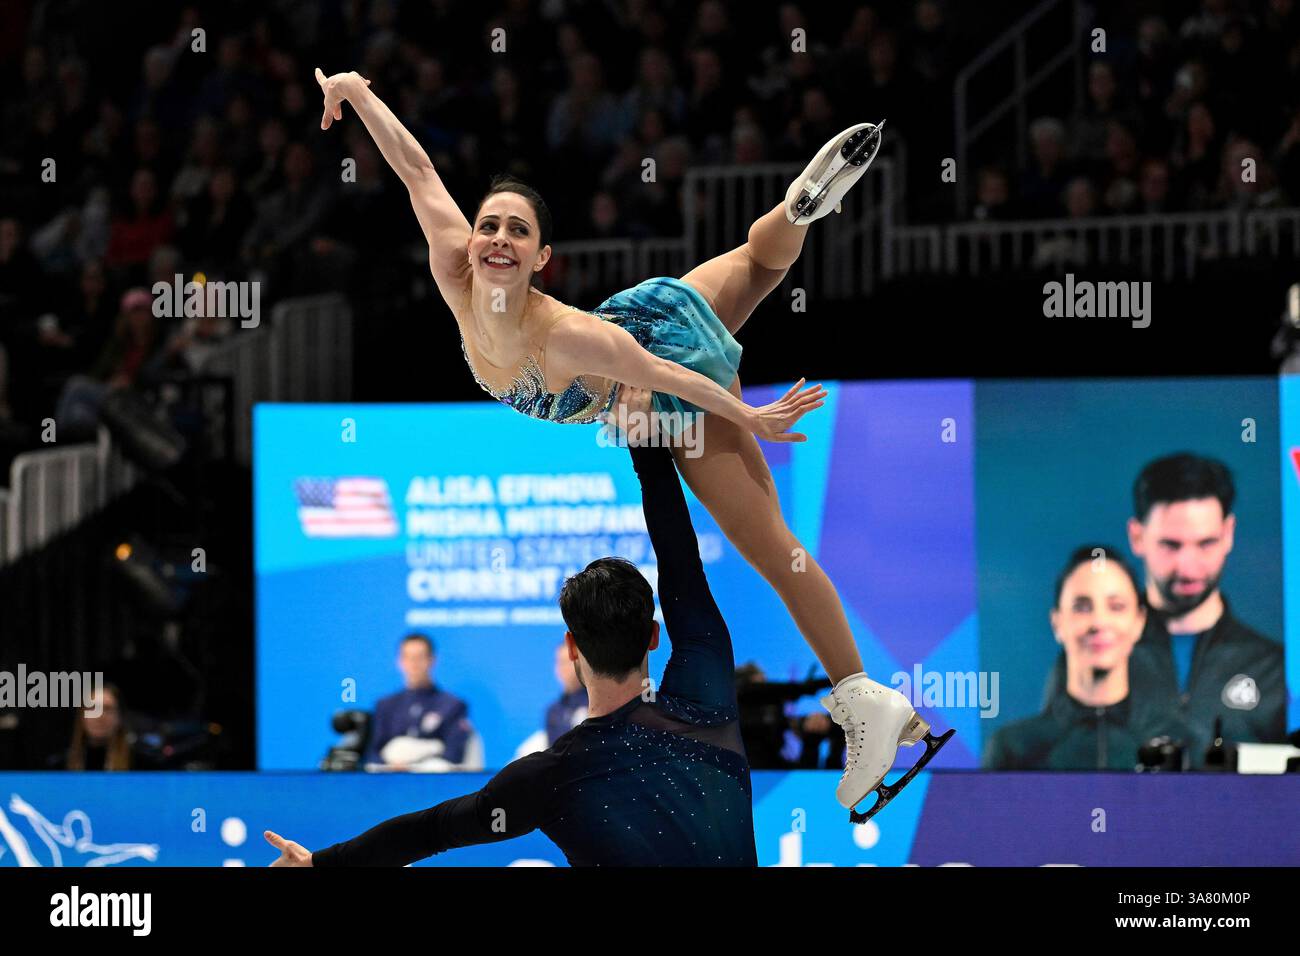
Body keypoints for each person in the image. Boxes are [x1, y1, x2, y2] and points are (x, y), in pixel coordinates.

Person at [311, 67, 943, 817]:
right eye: (490, 225)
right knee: (753, 263)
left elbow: (661, 370)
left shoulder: (564, 333)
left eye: (519, 231)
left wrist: (753, 420)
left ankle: (861, 699)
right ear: (471, 240)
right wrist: (355, 91)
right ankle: (799, 210)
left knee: (774, 547)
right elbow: (415, 167)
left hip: (659, 375)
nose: (498, 238)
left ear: (543, 259)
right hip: (647, 311)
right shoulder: (453, 265)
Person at [266, 387, 761, 866]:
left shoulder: (553, 775)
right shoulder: (704, 700)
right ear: (653, 635)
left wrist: (321, 864)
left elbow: (430, 830)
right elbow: (682, 564)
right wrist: (647, 444)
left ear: (571, 647)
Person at [1042, 454, 1287, 766]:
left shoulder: (1274, 669)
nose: (1187, 567)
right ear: (1137, 537)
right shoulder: (1093, 653)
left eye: (1206, 543)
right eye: (1170, 545)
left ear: (1229, 533)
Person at [985, 546, 1183, 770]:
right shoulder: (1014, 749)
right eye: (1082, 607)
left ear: (1139, 622)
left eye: (1116, 607)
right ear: (1057, 623)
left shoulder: (1182, 744)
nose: (1099, 622)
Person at [363, 633, 472, 770]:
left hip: (433, 782)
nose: (414, 664)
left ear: (432, 660)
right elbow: (372, 753)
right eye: (408, 657)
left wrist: (416, 763)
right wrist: (390, 765)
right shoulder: (385, 705)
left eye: (420, 657)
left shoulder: (452, 705)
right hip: (389, 782)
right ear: (400, 661)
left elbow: (453, 755)